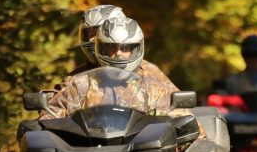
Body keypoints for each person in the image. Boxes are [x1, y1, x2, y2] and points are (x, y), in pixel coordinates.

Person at [43, 15, 180, 119]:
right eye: (111, 47)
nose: (118, 53)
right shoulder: (79, 85)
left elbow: (183, 120)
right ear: (100, 49)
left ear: (136, 49)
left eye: (125, 48)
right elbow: (49, 118)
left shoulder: (153, 86)